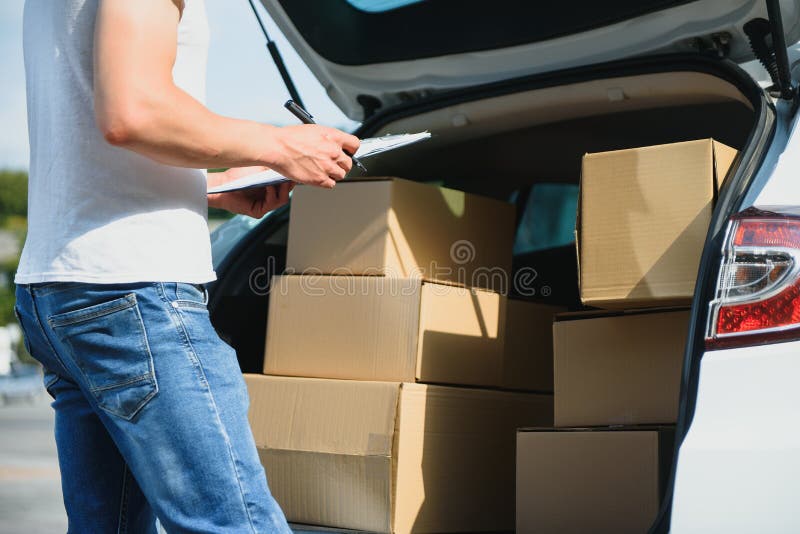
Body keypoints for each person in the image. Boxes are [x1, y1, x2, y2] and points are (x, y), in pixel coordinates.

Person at [13, 0, 359, 532]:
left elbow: (86, 135)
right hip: (132, 294)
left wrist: (211, 185)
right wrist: (282, 142)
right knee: (235, 523)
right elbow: (134, 113)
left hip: (60, 287)